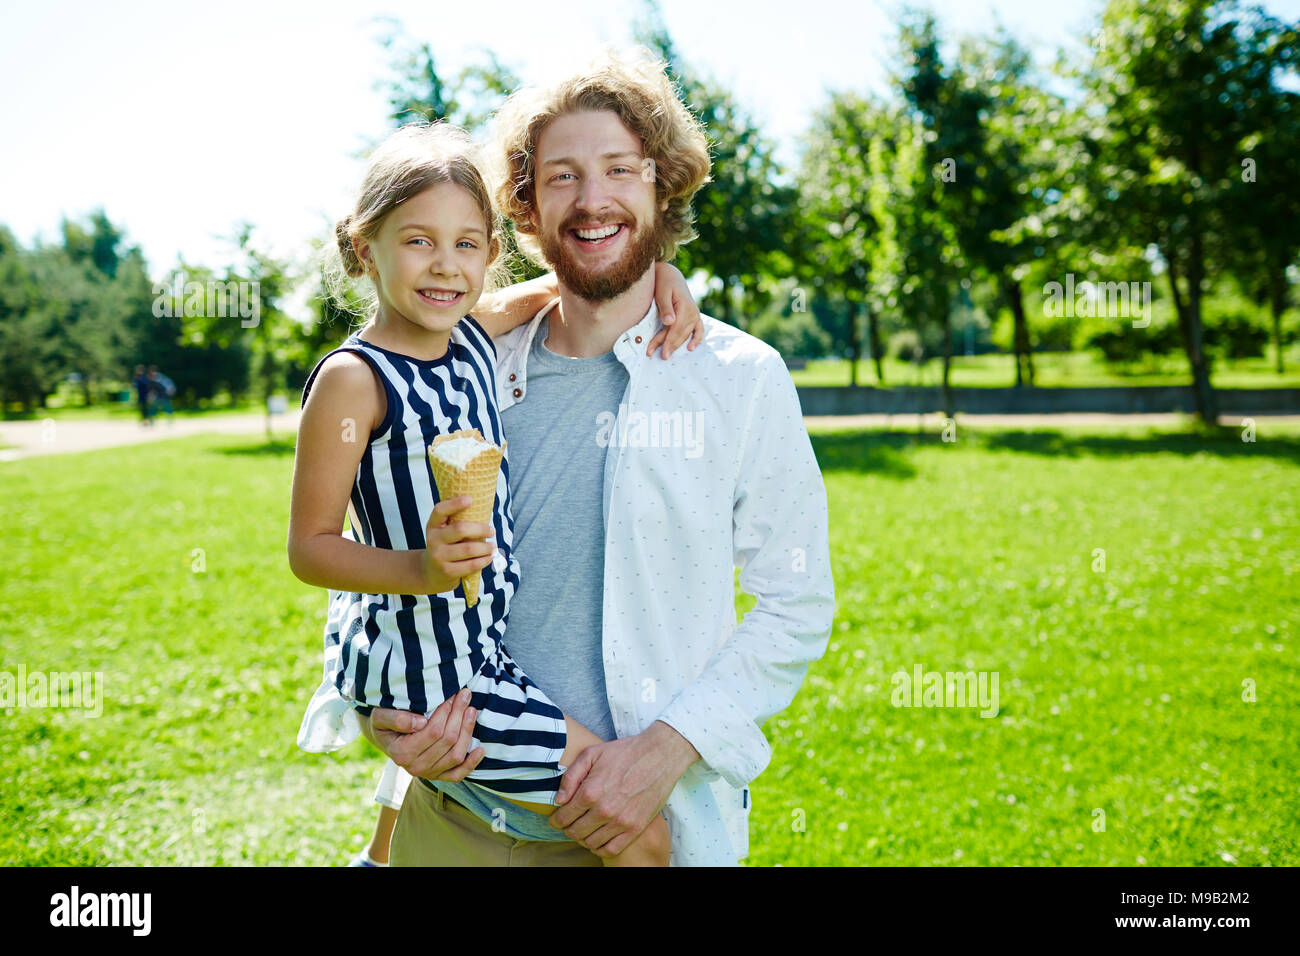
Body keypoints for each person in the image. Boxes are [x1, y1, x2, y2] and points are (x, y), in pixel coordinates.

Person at [348, 46, 834, 867]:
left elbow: (796, 604)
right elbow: (385, 535)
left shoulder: (740, 379)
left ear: (661, 186)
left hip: (637, 835)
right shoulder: (467, 366)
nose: (593, 198)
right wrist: (384, 713)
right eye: (562, 176)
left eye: (620, 168)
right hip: (451, 816)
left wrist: (665, 751)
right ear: (527, 206)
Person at [288, 122, 704, 866]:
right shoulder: (356, 379)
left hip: (479, 650)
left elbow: (573, 283)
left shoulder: (470, 336)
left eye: (468, 244)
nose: (446, 266)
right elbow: (310, 549)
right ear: (363, 245)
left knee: (624, 819)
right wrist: (422, 570)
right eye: (418, 241)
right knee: (638, 833)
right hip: (437, 675)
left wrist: (663, 275)